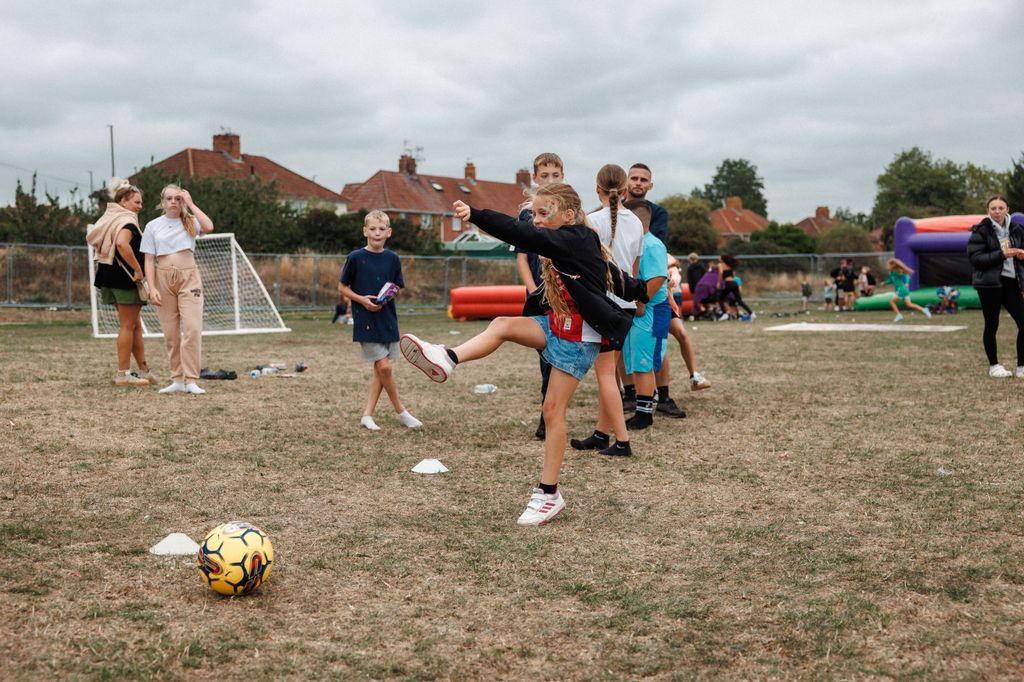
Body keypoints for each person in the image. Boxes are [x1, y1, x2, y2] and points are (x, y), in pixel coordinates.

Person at [400, 184, 647, 526]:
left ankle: (549, 494)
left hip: (579, 337)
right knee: (501, 324)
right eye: (535, 213)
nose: (537, 220)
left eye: (545, 213)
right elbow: (611, 276)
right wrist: (639, 290)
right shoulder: (576, 243)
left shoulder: (575, 238)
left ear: (569, 214)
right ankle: (447, 357)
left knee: (552, 411)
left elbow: (524, 235)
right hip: (556, 325)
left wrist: (476, 215)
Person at [570, 165, 643, 456]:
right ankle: (601, 434)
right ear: (625, 191)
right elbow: (634, 270)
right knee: (609, 372)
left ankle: (622, 441)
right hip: (624, 305)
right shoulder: (637, 222)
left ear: (596, 189)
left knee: (605, 376)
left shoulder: (591, 221)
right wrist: (637, 300)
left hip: (602, 304)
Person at [338, 210, 423, 430]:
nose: (377, 233)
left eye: (381, 229)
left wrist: (389, 294)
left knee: (380, 370)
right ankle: (402, 411)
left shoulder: (393, 258)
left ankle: (367, 415)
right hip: (365, 318)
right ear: (365, 230)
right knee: (384, 367)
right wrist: (362, 301)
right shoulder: (355, 257)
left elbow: (398, 286)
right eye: (373, 229)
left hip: (387, 318)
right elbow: (342, 287)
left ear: (389, 232)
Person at [623, 163, 684, 416]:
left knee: (654, 349)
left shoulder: (655, 217)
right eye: (633, 178)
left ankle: (662, 398)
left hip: (650, 299)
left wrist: (642, 299)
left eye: (643, 179)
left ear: (650, 184)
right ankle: (631, 396)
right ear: (626, 181)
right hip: (627, 297)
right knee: (627, 349)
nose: (638, 183)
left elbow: (654, 265)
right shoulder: (613, 210)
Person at [142, 184, 215, 395]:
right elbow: (148, 258)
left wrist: (190, 203)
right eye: (169, 198)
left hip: (189, 277)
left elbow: (209, 226)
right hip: (163, 278)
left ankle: (191, 379)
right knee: (170, 333)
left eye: (177, 198)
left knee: (192, 328)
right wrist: (152, 287)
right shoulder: (153, 226)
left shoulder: (190, 220)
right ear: (163, 202)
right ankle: (177, 378)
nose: (173, 202)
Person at [513, 152, 564, 440]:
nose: (550, 180)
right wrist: (534, 292)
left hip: (565, 294)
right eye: (544, 175)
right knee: (545, 353)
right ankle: (547, 412)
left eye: (555, 175)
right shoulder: (526, 215)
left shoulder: (569, 211)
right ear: (535, 178)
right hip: (538, 295)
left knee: (560, 354)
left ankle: (552, 413)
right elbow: (522, 259)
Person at [87, 178, 155, 386]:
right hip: (124, 278)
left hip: (109, 276)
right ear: (123, 202)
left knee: (134, 325)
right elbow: (122, 244)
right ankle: (123, 374)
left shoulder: (110, 218)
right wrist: (137, 269)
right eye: (137, 202)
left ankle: (143, 371)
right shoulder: (127, 221)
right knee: (128, 325)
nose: (140, 206)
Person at [620, 200, 669, 430]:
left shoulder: (652, 245)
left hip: (650, 312)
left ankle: (645, 413)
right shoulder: (638, 244)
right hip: (640, 312)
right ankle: (642, 407)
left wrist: (641, 302)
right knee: (636, 361)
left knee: (643, 363)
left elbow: (658, 277)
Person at [967, 195, 1024, 377]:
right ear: (988, 211)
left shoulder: (1017, 229)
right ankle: (994, 366)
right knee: (992, 325)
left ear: (1008, 209)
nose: (997, 211)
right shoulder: (980, 231)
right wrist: (1001, 254)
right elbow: (975, 258)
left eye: (1001, 208)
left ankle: (1022, 367)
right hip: (989, 284)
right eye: (993, 208)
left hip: (1011, 282)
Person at [666, 254, 711, 389]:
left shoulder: (662, 251)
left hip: (664, 302)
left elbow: (674, 272)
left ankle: (695, 377)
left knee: (682, 334)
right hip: (643, 303)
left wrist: (672, 280)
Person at [884, 258, 932, 323]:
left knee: (892, 302)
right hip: (904, 290)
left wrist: (907, 283)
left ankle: (899, 315)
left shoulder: (896, 272)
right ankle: (924, 309)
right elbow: (891, 280)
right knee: (909, 304)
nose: (886, 266)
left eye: (888, 264)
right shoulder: (891, 273)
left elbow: (906, 276)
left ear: (892, 265)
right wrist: (885, 283)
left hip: (902, 290)